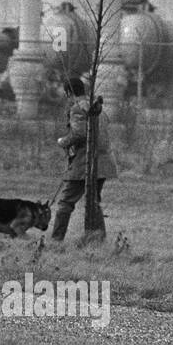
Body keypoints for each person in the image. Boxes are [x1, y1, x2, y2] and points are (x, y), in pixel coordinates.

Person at [49, 75, 118, 241]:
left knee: (65, 202)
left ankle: (56, 241)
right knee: (93, 202)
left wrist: (63, 141)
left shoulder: (78, 108)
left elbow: (79, 133)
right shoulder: (96, 107)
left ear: (68, 93)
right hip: (104, 161)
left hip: (85, 162)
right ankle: (97, 240)